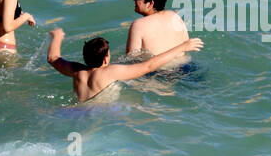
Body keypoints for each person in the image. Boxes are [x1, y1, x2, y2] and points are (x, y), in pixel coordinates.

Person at [48, 30, 203, 102]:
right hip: (101, 115)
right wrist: (182, 47)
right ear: (105, 59)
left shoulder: (76, 70)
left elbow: (53, 58)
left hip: (74, 112)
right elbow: (149, 66)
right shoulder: (111, 72)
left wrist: (57, 36)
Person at [125, 0, 189, 55]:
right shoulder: (175, 16)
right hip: (186, 65)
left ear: (150, 4)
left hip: (160, 67)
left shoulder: (138, 25)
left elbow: (131, 60)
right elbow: (187, 44)